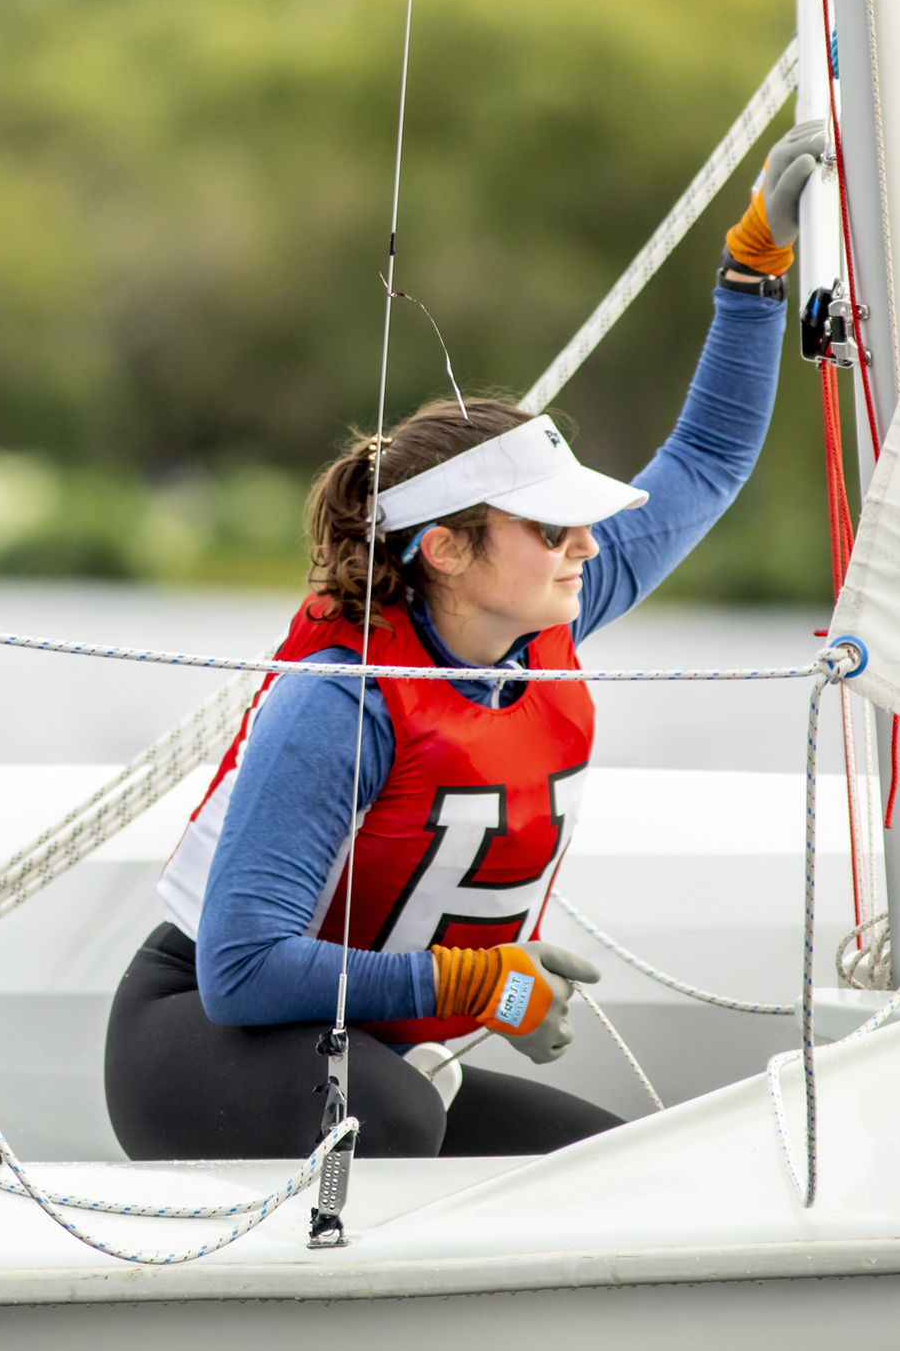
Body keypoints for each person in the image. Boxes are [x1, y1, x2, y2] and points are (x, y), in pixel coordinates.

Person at [103, 121, 827, 1160]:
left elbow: (706, 460)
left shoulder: (542, 610)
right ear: (444, 549)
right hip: (201, 1041)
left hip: (366, 1051)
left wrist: (752, 272)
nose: (586, 545)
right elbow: (242, 970)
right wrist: (475, 983)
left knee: (615, 1168)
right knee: (395, 1119)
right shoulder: (341, 699)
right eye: (550, 527)